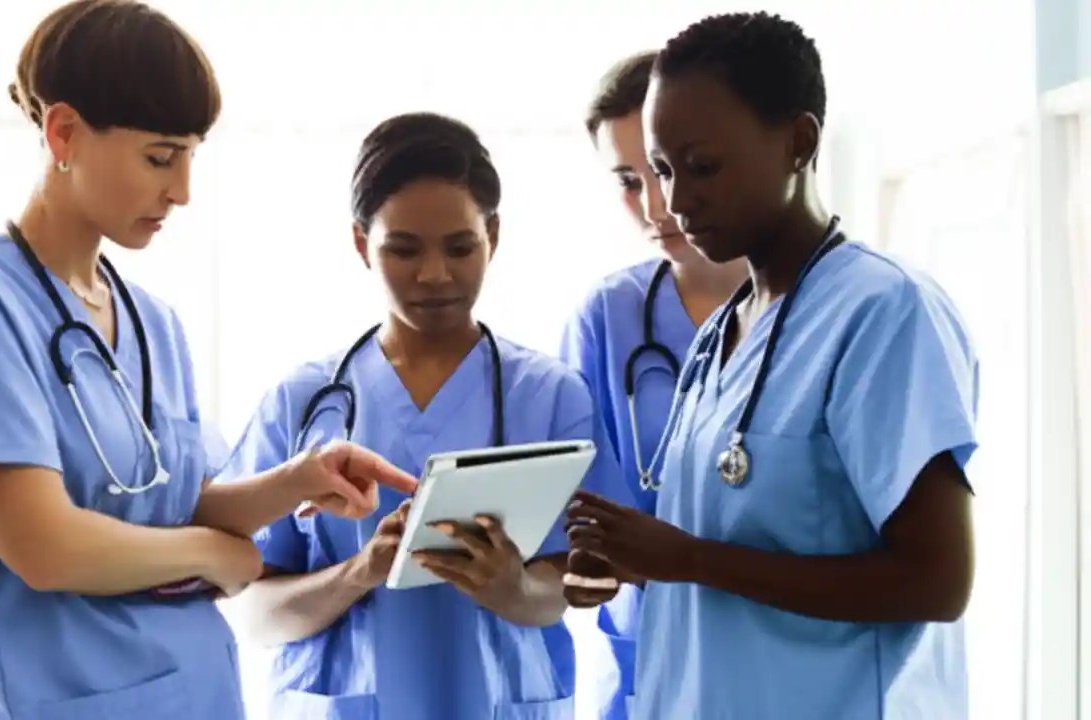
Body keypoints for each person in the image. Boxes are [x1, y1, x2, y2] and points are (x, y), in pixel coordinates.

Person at [0, 2, 417, 718]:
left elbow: (172, 501)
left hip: (195, 693)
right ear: (64, 132)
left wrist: (295, 481)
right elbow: (44, 545)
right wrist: (209, 554)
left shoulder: (151, 323)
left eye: (192, 156)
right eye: (161, 157)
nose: (183, 190)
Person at [565, 12, 979, 719]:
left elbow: (937, 581)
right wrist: (634, 561)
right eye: (660, 171)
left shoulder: (882, 311)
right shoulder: (722, 334)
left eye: (702, 167)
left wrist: (688, 559)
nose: (675, 201)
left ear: (799, 141)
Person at [223, 112, 625, 720]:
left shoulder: (551, 396)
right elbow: (253, 612)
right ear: (361, 243)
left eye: (460, 247)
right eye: (403, 249)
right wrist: (359, 572)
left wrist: (510, 587)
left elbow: (571, 585)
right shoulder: (303, 400)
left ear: (493, 235)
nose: (434, 274)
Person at [559, 50, 747, 720]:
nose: (656, 204)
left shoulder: (829, 312)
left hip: (782, 650)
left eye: (668, 169)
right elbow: (590, 508)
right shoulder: (608, 317)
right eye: (628, 180)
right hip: (649, 661)